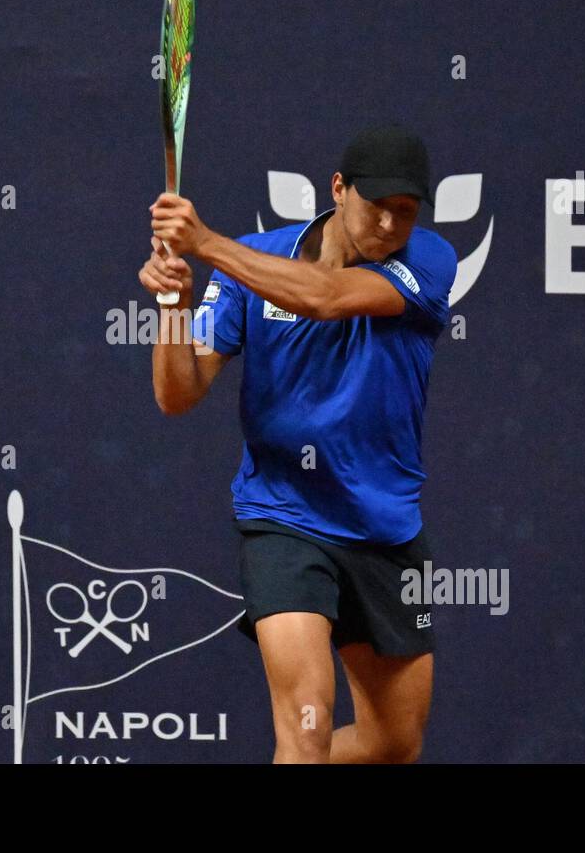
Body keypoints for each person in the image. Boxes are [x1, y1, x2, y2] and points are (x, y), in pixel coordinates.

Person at [140, 124, 457, 763]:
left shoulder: (429, 260)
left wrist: (204, 243)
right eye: (379, 207)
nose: (393, 225)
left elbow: (324, 296)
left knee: (393, 743)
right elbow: (178, 394)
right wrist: (175, 304)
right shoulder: (256, 263)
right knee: (307, 731)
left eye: (407, 211)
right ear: (338, 189)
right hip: (284, 520)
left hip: (385, 530)